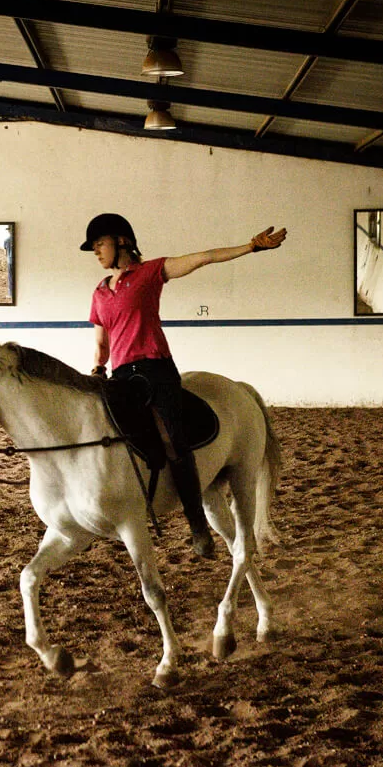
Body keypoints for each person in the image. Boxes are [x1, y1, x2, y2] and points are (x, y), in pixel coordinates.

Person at [81, 213, 286, 559]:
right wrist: (97, 368)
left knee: (173, 440)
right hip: (121, 376)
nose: (96, 252)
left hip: (156, 371)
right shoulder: (100, 293)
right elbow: (102, 344)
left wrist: (249, 247)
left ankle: (197, 525)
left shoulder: (149, 274)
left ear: (121, 242)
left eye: (99, 244)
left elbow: (202, 258)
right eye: (93, 247)